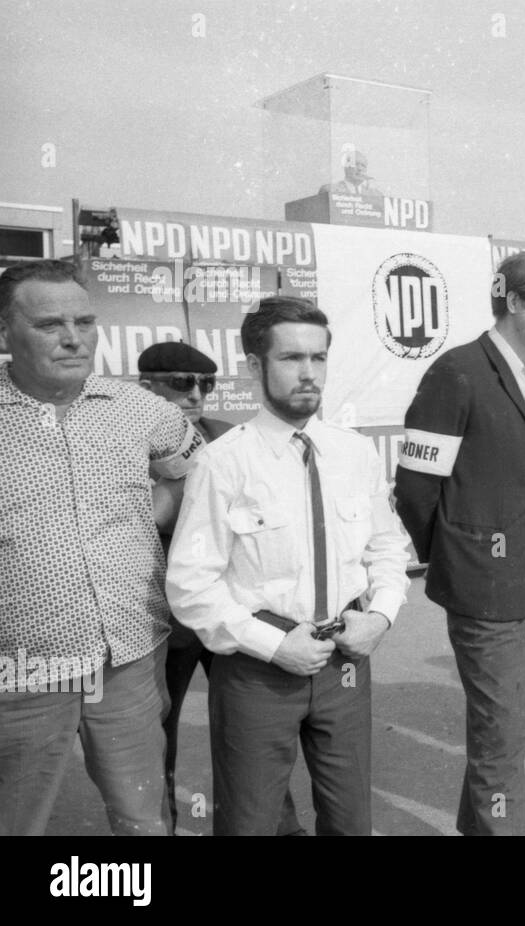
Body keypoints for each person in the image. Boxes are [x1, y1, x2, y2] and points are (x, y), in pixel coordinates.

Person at [167, 296, 409, 835]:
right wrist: (275, 646)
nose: (308, 373)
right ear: (255, 366)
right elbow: (190, 584)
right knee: (249, 822)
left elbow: (387, 548)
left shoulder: (354, 453)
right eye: (291, 358)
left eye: (318, 358)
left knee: (351, 822)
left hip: (345, 661)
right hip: (258, 668)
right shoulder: (222, 462)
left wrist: (381, 617)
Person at [0, 259, 204, 836]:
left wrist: (151, 511)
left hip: (129, 657)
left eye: (85, 322)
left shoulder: (141, 409)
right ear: (4, 333)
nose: (74, 339)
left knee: (142, 817)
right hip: (21, 668)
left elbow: (197, 473)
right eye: (49, 325)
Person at [393, 252, 525, 835]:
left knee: (514, 726)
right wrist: (459, 557)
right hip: (483, 581)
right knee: (500, 733)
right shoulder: (457, 371)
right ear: (514, 302)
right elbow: (415, 489)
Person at [137, 340, 304, 835]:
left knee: (252, 729)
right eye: (180, 383)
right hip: (157, 616)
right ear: (145, 387)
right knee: (155, 734)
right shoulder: (120, 444)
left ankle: (279, 826)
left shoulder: (226, 438)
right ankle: (160, 826)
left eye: (206, 384)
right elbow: (142, 520)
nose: (196, 394)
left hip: (229, 609)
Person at [319, 147, 383, 196]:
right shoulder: (330, 190)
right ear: (346, 167)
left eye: (363, 166)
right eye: (356, 164)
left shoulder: (376, 195)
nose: (360, 168)